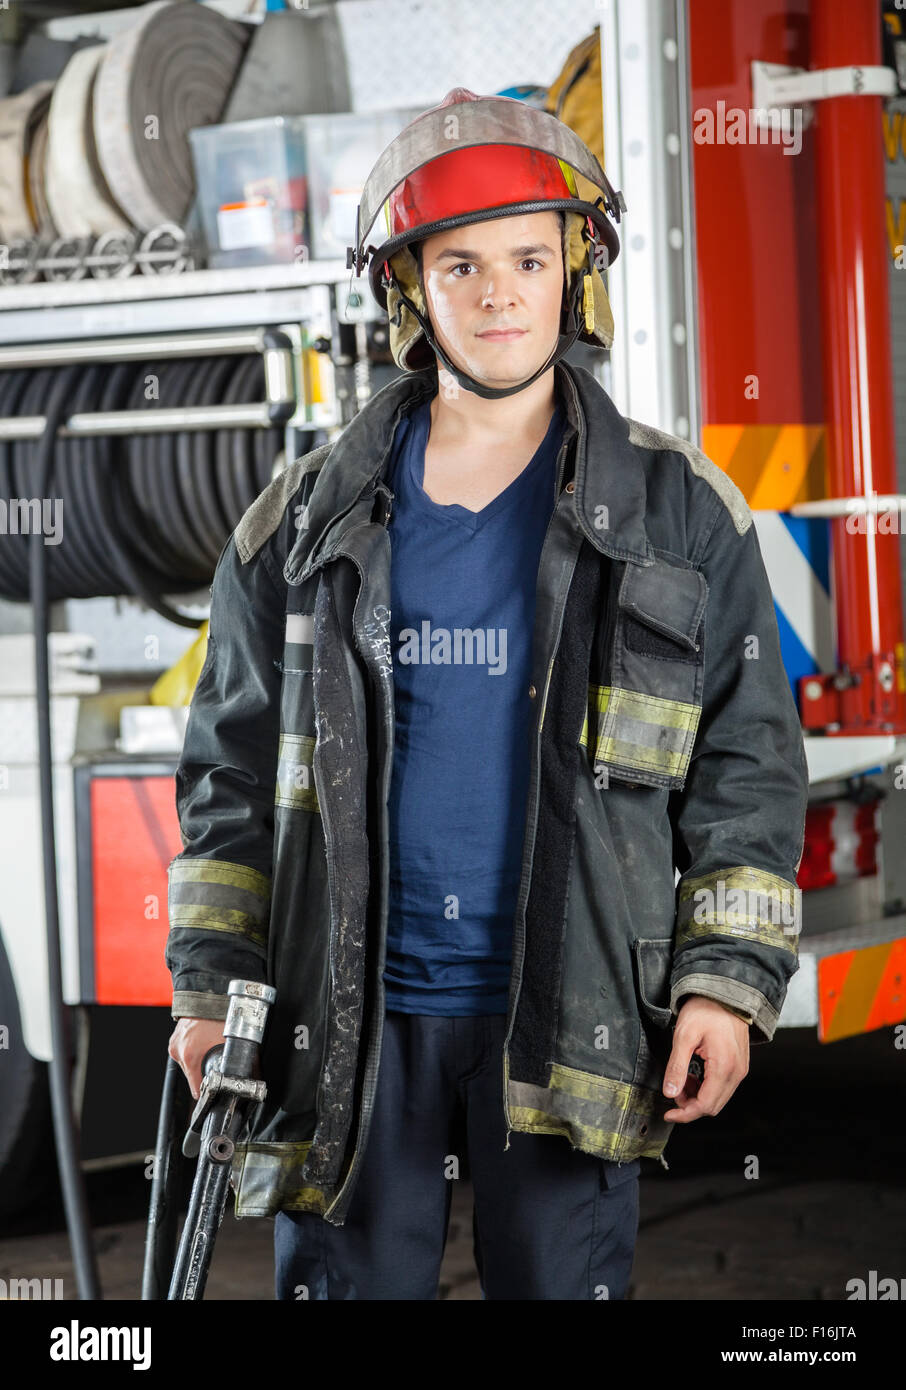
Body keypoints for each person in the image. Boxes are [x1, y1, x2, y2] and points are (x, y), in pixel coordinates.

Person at [166, 89, 809, 1300]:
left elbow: (750, 771)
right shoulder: (299, 523)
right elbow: (229, 776)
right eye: (461, 263)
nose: (502, 292)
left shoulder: (683, 517)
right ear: (413, 288)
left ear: (575, 270)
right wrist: (209, 986)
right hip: (350, 1030)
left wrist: (727, 984)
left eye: (529, 256)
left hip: (568, 1019)